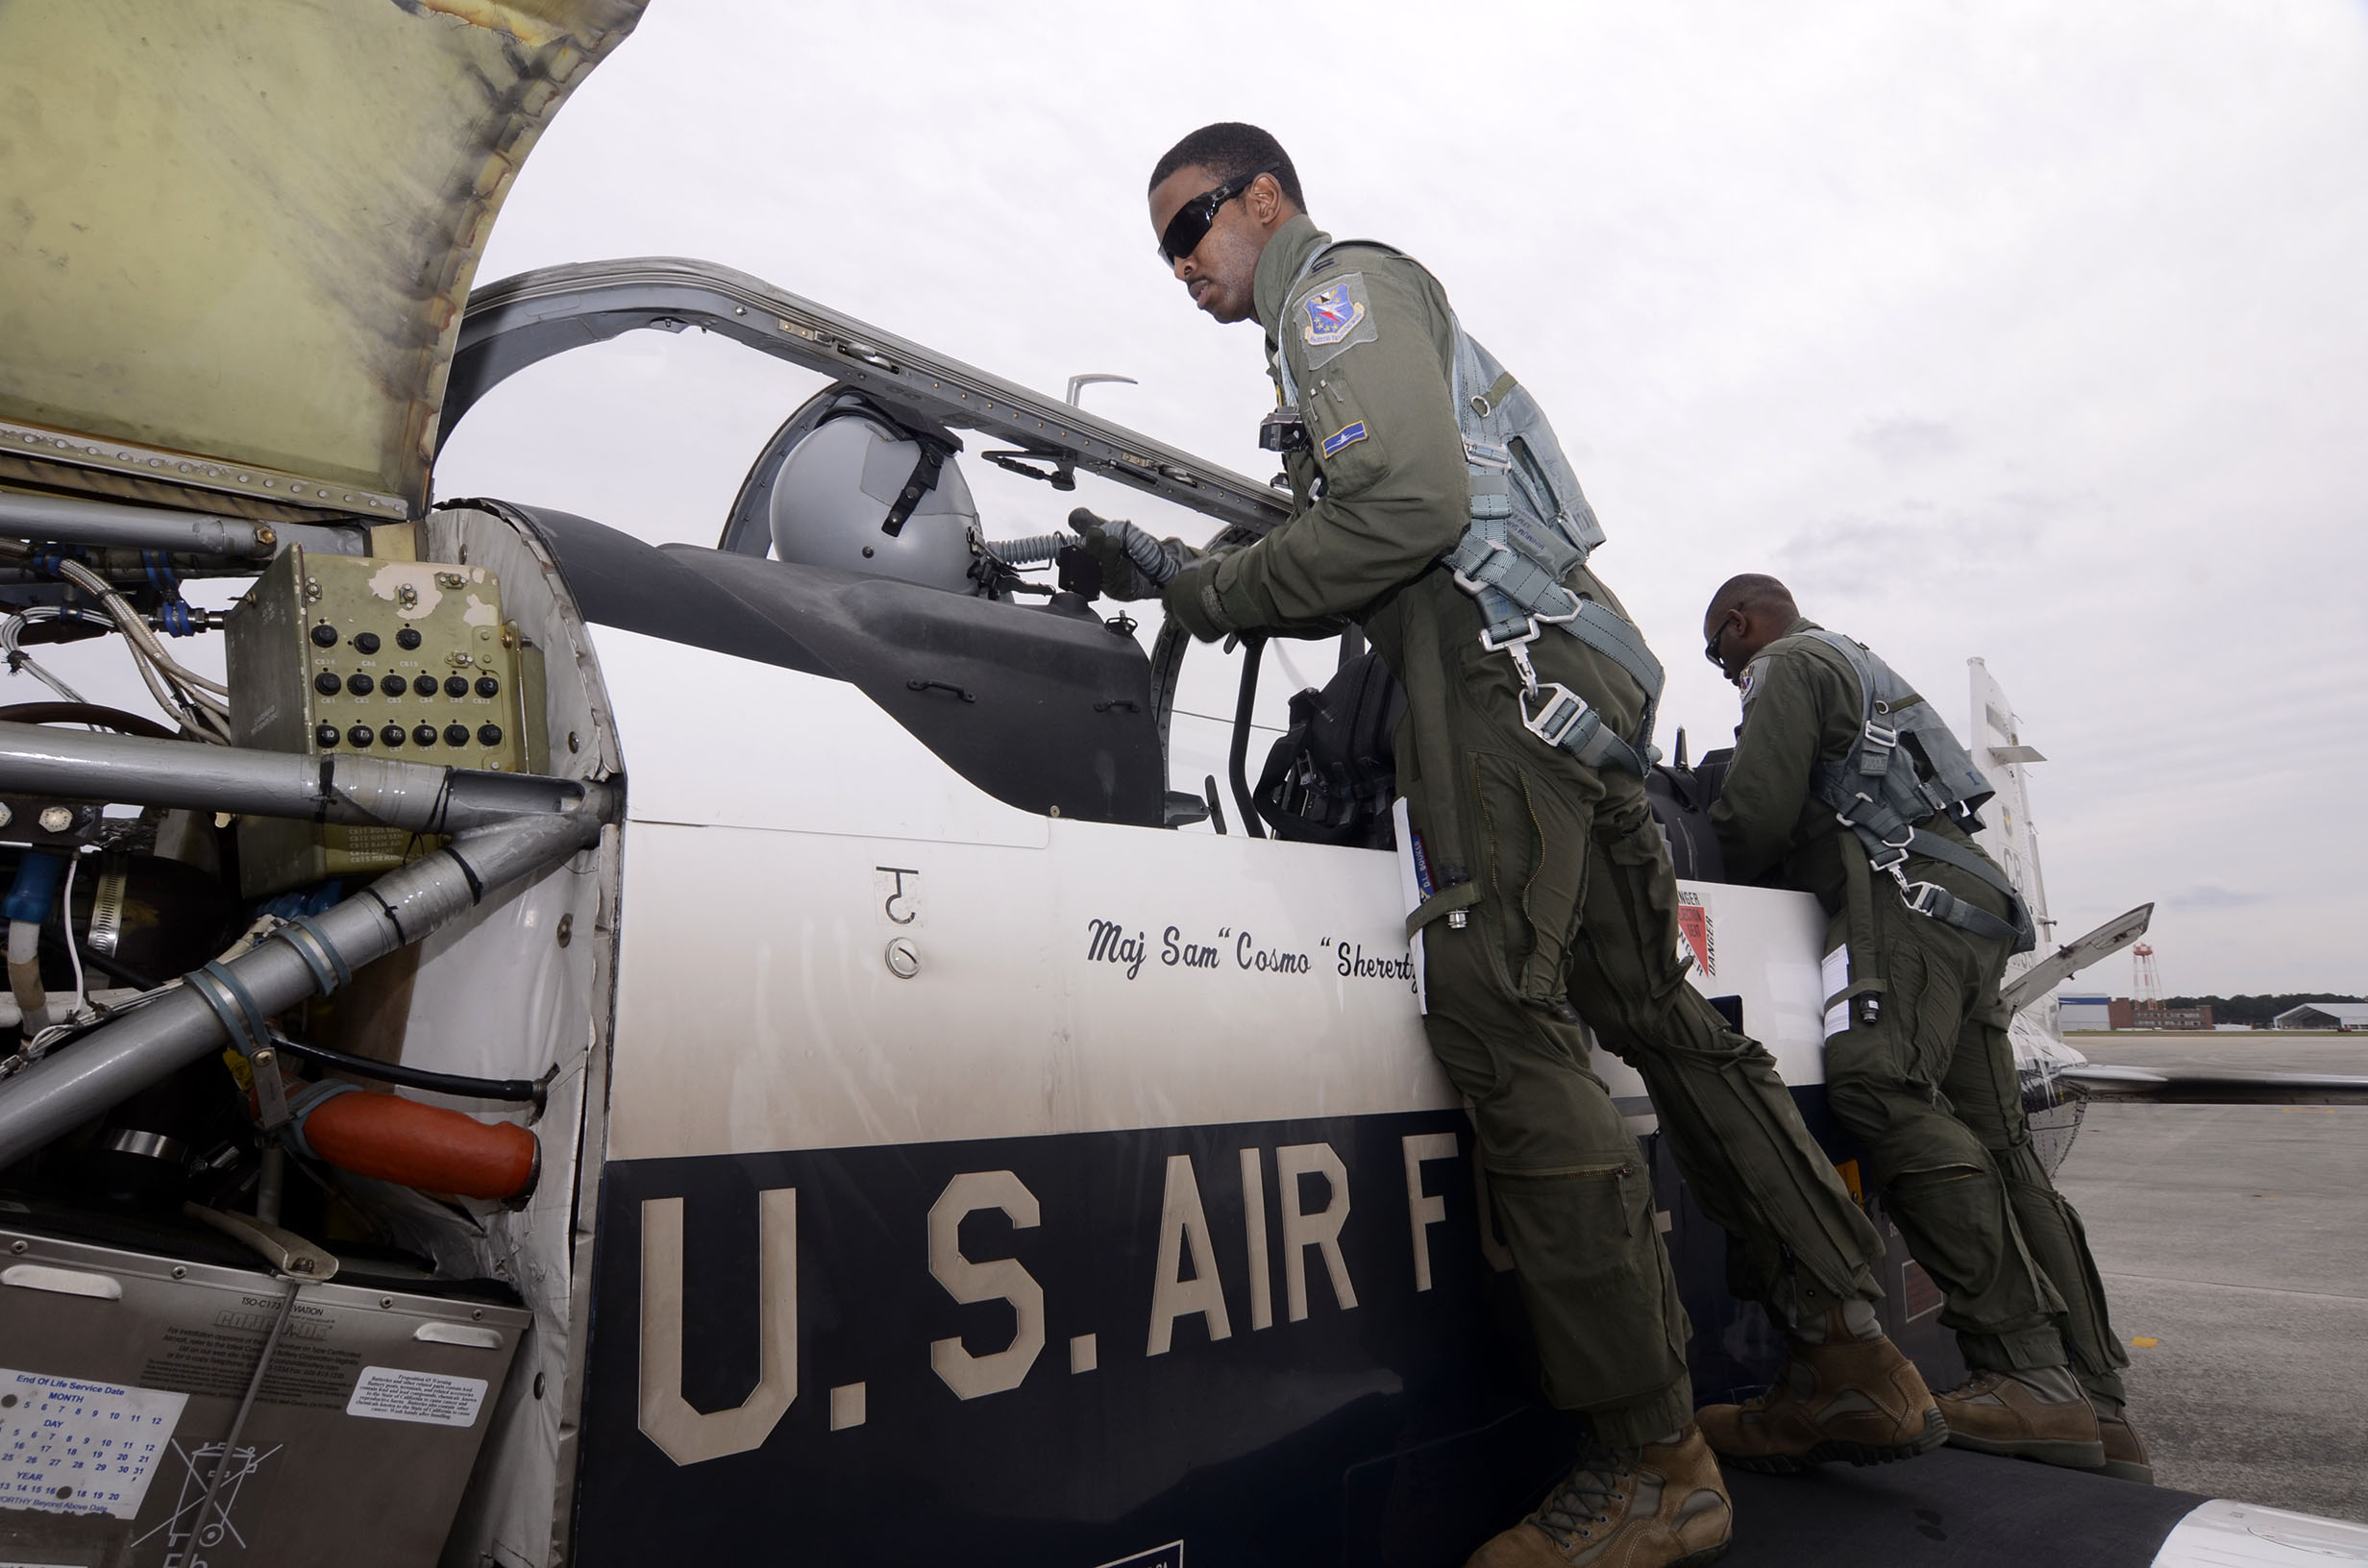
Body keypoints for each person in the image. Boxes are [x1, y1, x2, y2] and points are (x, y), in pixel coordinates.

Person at [1082, 120, 1945, 1568]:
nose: (1181, 265)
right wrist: (1194, 572)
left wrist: (1209, 601)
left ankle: (1648, 1459)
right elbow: (1386, 512)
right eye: (1163, 246)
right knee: (1663, 1023)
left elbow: (1406, 511)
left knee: (1498, 1020)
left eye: (1192, 228)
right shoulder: (1351, 330)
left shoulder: (1331, 298)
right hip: (1566, 681)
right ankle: (1849, 1352)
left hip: (1493, 685)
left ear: (1265, 199)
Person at [1698, 573, 2149, 1484]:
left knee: (1875, 1080)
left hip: (1904, 899)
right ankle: (2094, 1402)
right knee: (2003, 1147)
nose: (1725, 670)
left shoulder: (1784, 666)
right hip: (1972, 902)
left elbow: (1751, 818)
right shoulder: (1861, 664)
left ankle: (2022, 1369)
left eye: (1719, 653)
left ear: (1741, 624)